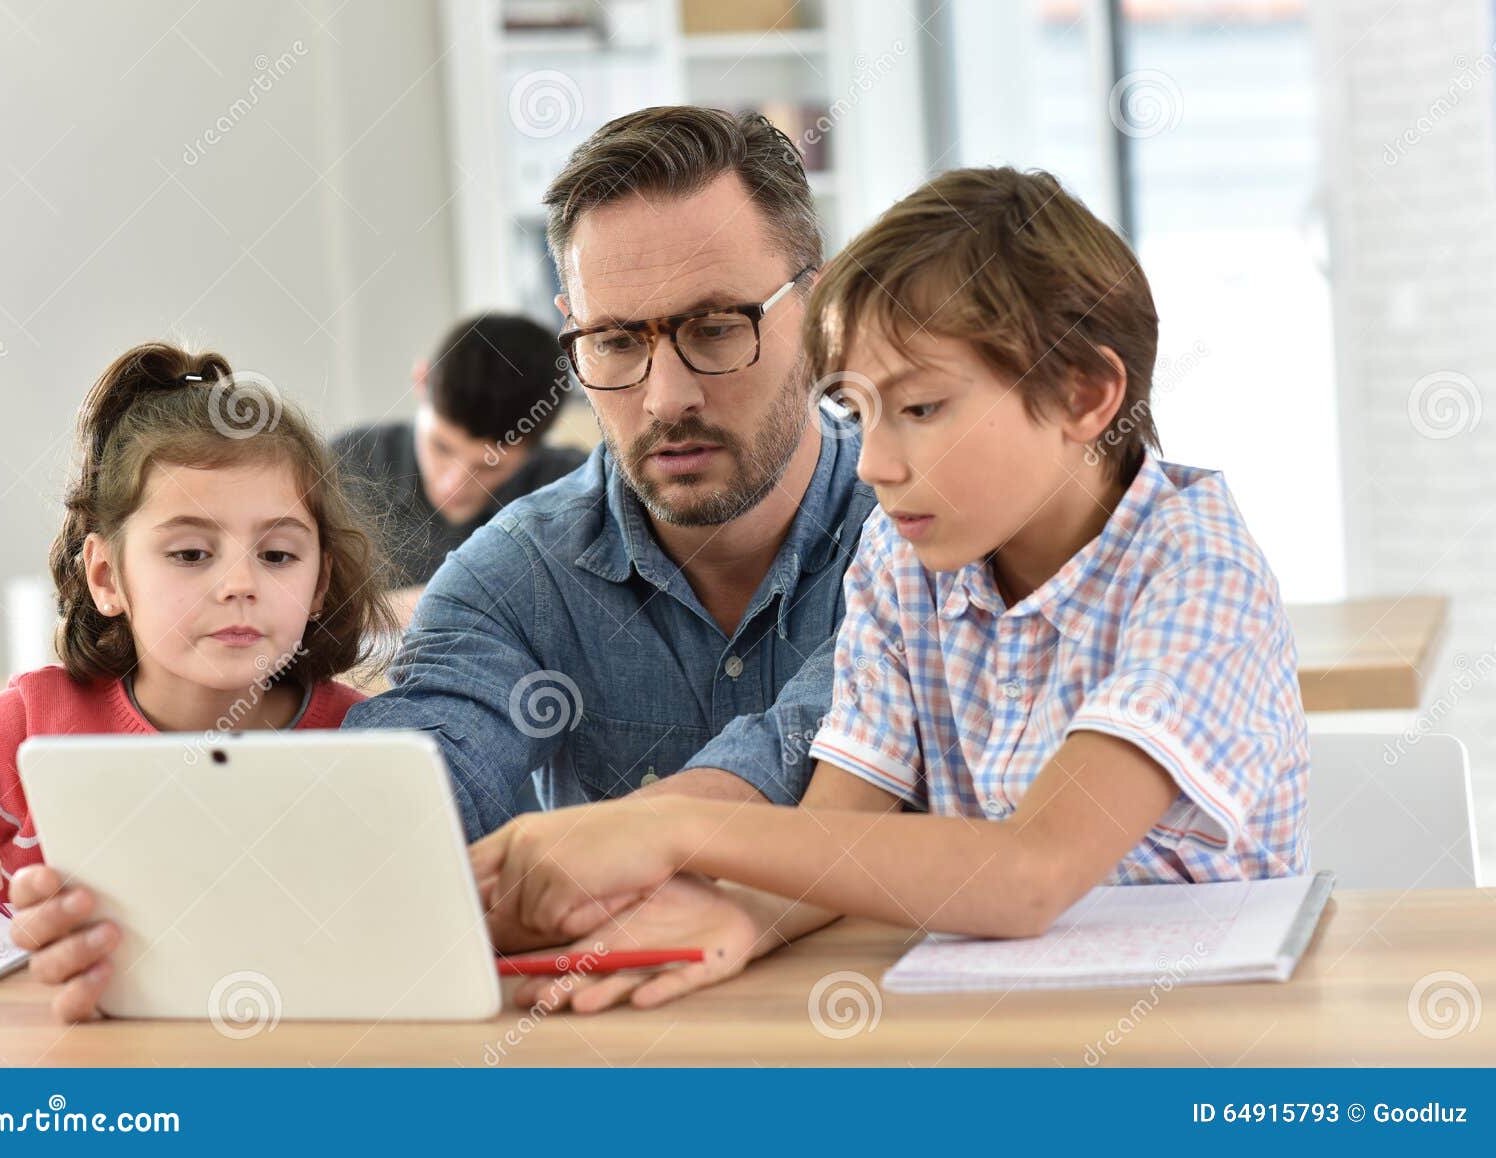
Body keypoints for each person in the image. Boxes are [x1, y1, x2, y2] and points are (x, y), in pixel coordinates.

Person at [470, 167, 1311, 1014]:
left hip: (1199, 1034)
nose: (873, 464)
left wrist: (669, 825)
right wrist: (738, 918)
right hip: (995, 1027)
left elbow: (1032, 874)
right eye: (860, 414)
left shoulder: (1200, 575)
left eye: (920, 410)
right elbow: (839, 840)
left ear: (1086, 396)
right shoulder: (902, 563)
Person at [342, 107, 878, 848]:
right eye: (616, 340)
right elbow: (406, 797)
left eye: (716, 328)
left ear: (818, 309)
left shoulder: (929, 532)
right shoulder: (514, 581)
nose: (666, 399)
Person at [0, 341, 397, 1022]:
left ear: (319, 583)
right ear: (106, 577)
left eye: (279, 555)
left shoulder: (371, 744)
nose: (240, 584)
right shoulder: (20, 729)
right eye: (190, 553)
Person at [331, 314, 586, 623]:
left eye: (489, 466)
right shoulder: (347, 465)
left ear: (536, 447)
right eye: (441, 447)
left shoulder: (575, 489)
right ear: (421, 381)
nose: (453, 485)